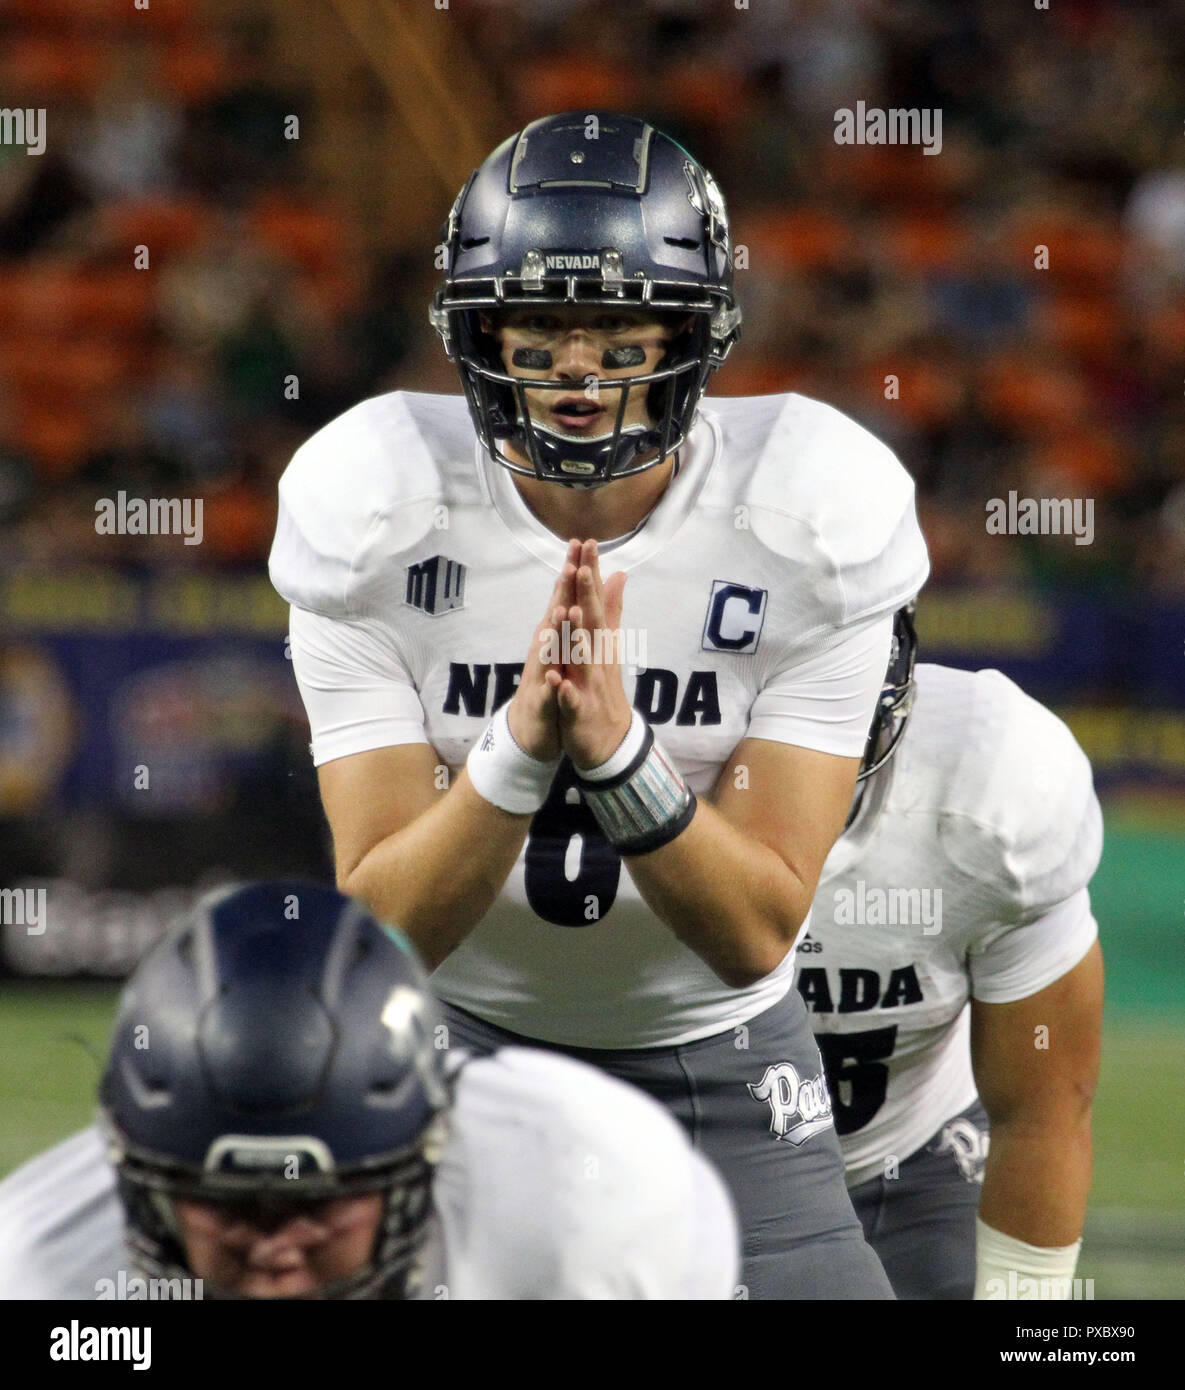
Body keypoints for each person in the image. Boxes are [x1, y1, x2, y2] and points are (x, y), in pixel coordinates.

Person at [269, 111, 931, 1297]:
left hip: (719, 1059)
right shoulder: (373, 507)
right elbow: (383, 930)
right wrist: (521, 750)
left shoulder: (809, 513)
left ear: (691, 330)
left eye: (620, 325)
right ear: (478, 331)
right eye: (541, 323)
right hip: (452, 1048)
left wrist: (619, 749)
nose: (579, 367)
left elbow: (754, 930)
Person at [0, 881, 738, 1300]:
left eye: (315, 1205)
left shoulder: (592, 1205)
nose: (274, 1256)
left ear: (429, 1155)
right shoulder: (43, 1276)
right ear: (139, 1183)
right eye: (228, 1205)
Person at [798, 606, 1104, 1299]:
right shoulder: (624, 760)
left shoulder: (993, 777)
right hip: (683, 1162)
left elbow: (1044, 1110)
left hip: (911, 1160)